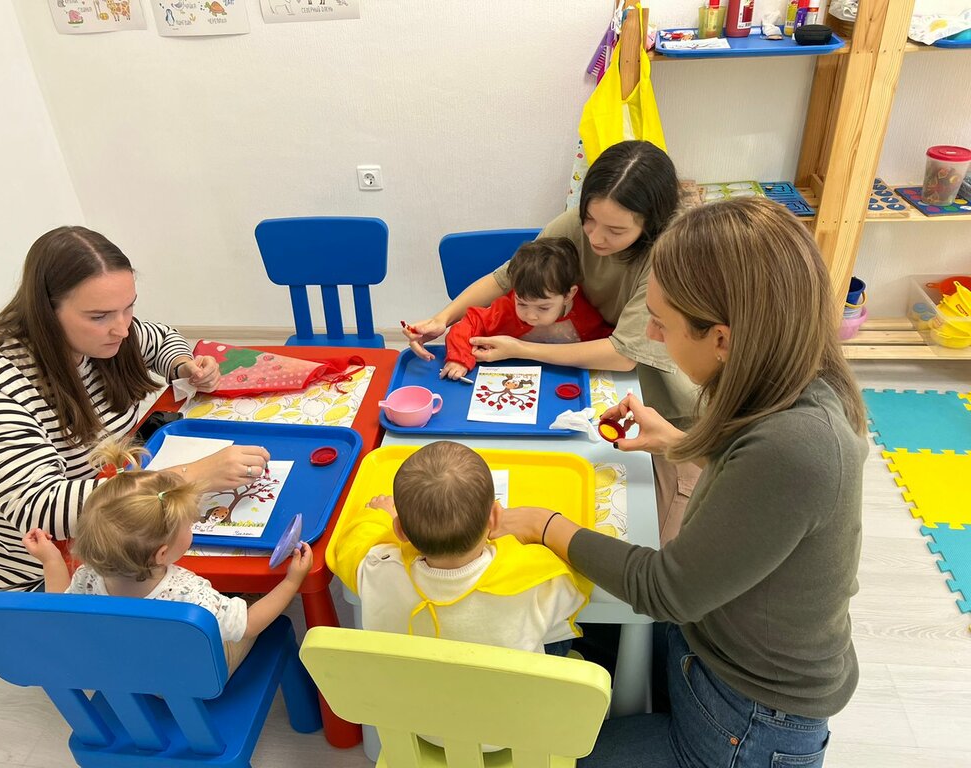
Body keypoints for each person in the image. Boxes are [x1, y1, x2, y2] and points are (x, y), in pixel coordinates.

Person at [493, 198, 867, 768]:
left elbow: (665, 589)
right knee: (583, 640)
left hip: (747, 722)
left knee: (533, 754)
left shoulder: (800, 445)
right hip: (708, 652)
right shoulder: (786, 376)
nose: (648, 334)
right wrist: (679, 441)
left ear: (721, 338)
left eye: (661, 324)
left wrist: (547, 526)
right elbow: (753, 479)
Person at [406, 141, 700, 545]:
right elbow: (506, 278)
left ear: (650, 224)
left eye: (616, 230)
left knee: (657, 534)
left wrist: (521, 348)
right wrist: (443, 318)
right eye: (590, 221)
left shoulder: (671, 253)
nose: (595, 237)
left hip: (665, 394)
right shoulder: (576, 225)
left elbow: (623, 356)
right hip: (595, 372)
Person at [0, 226, 270, 591]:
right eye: (99, 316)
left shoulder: (108, 333)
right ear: (46, 311)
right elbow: (40, 508)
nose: (121, 328)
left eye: (129, 306)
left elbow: (161, 338)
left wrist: (184, 365)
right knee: (235, 595)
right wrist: (188, 476)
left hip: (110, 521)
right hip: (39, 572)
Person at [22, 439, 312, 678]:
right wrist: (291, 582)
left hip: (127, 673)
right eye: (188, 524)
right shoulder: (190, 593)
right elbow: (248, 624)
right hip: (197, 679)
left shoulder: (87, 577)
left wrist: (51, 561)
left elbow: (58, 607)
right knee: (250, 602)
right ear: (162, 553)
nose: (193, 525)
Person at [326, 440, 589, 654]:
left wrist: (378, 515)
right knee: (557, 635)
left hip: (413, 710)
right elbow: (579, 575)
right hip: (503, 712)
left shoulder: (377, 569)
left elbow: (351, 546)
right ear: (495, 518)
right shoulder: (534, 586)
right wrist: (536, 531)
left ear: (401, 532)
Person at [441, 237, 613, 380]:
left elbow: (608, 345)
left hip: (566, 382)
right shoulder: (506, 309)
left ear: (568, 295)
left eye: (543, 307)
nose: (530, 315)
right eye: (522, 303)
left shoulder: (586, 318)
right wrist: (459, 359)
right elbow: (469, 322)